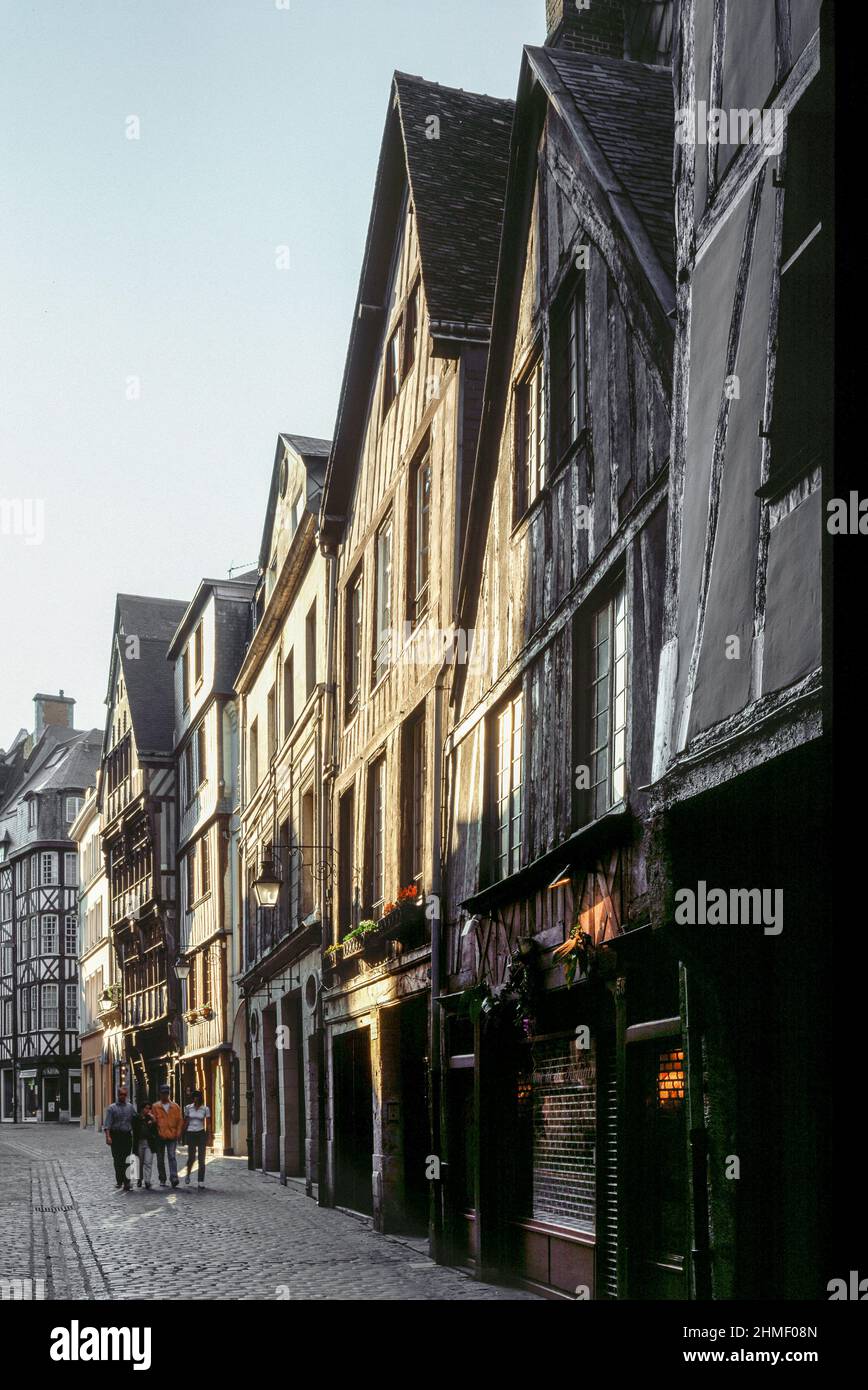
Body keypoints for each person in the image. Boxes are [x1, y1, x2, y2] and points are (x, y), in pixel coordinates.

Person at [104, 1086, 137, 1192]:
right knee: (117, 1159)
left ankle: (127, 1181)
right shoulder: (112, 1108)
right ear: (118, 1095)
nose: (123, 1097)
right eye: (121, 1095)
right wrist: (108, 1137)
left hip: (126, 1136)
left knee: (127, 1158)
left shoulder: (130, 1107)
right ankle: (119, 1180)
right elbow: (107, 1124)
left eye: (124, 1095)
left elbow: (135, 1120)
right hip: (116, 1136)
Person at [152, 1083, 183, 1187]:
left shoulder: (175, 1106)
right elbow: (153, 1121)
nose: (165, 1095)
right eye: (163, 1093)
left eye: (166, 1093)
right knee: (160, 1158)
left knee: (172, 1156)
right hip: (160, 1136)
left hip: (172, 1135)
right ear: (160, 1094)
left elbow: (179, 1121)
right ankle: (162, 1178)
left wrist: (178, 1133)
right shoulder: (156, 1106)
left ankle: (174, 1177)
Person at [182, 1090, 211, 1189]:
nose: (196, 1099)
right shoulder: (188, 1108)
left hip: (201, 1133)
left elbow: (208, 1123)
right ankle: (188, 1174)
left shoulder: (205, 1109)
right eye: (194, 1097)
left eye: (197, 1097)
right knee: (191, 1157)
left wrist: (209, 1135)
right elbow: (185, 1121)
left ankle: (200, 1180)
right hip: (191, 1133)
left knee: (201, 1158)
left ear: (200, 1098)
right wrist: (182, 1132)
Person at [132, 1102, 158, 1189]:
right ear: (142, 1109)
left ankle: (147, 1181)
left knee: (148, 1162)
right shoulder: (136, 1118)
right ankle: (139, 1179)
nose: (148, 1110)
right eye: (146, 1108)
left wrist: (154, 1122)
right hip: (139, 1143)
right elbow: (134, 1130)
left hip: (149, 1143)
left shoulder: (151, 1118)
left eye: (149, 1108)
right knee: (140, 1162)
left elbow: (155, 1131)